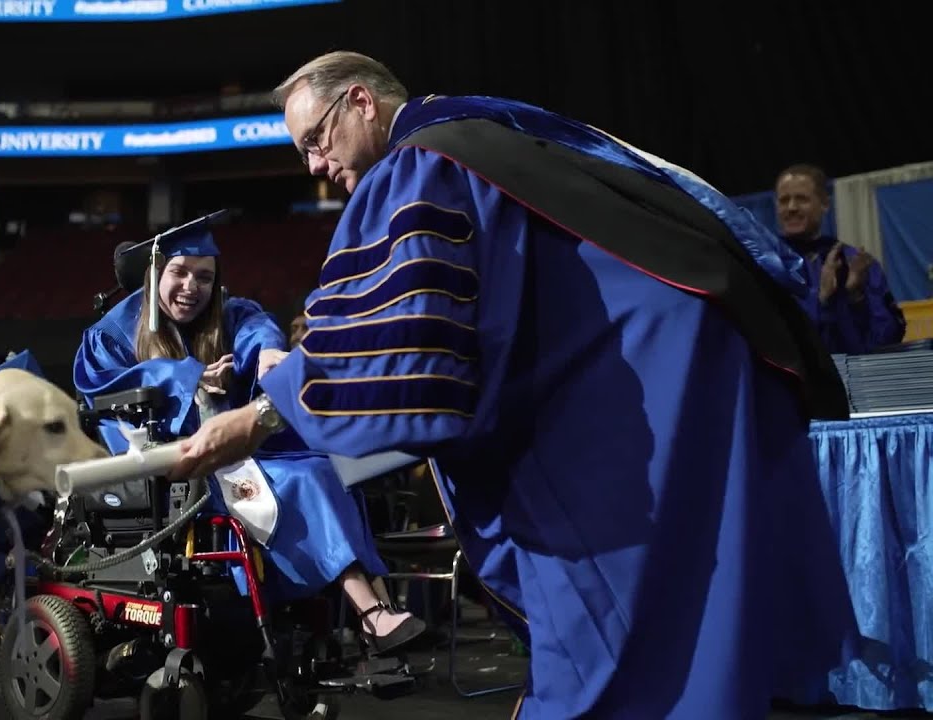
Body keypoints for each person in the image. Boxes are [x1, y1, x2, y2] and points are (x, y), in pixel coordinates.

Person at [169, 51, 857, 719]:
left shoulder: (419, 165)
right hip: (699, 354)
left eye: (316, 140)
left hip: (630, 387)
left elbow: (394, 354)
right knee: (700, 593)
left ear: (360, 100)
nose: (317, 165)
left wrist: (257, 417)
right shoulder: (490, 132)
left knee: (613, 627)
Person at [74, 214, 424, 654]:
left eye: (204, 276)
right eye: (179, 273)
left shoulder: (224, 313)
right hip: (179, 470)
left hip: (239, 458)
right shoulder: (112, 334)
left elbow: (255, 328)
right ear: (155, 272)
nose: (191, 287)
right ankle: (372, 614)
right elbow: (109, 395)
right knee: (307, 479)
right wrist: (191, 379)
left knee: (329, 468)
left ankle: (375, 610)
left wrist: (267, 353)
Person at [775, 163, 906, 354]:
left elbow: (888, 338)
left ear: (825, 204)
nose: (792, 207)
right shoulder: (766, 265)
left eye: (802, 199)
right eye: (784, 200)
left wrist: (856, 297)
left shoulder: (854, 262)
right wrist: (820, 299)